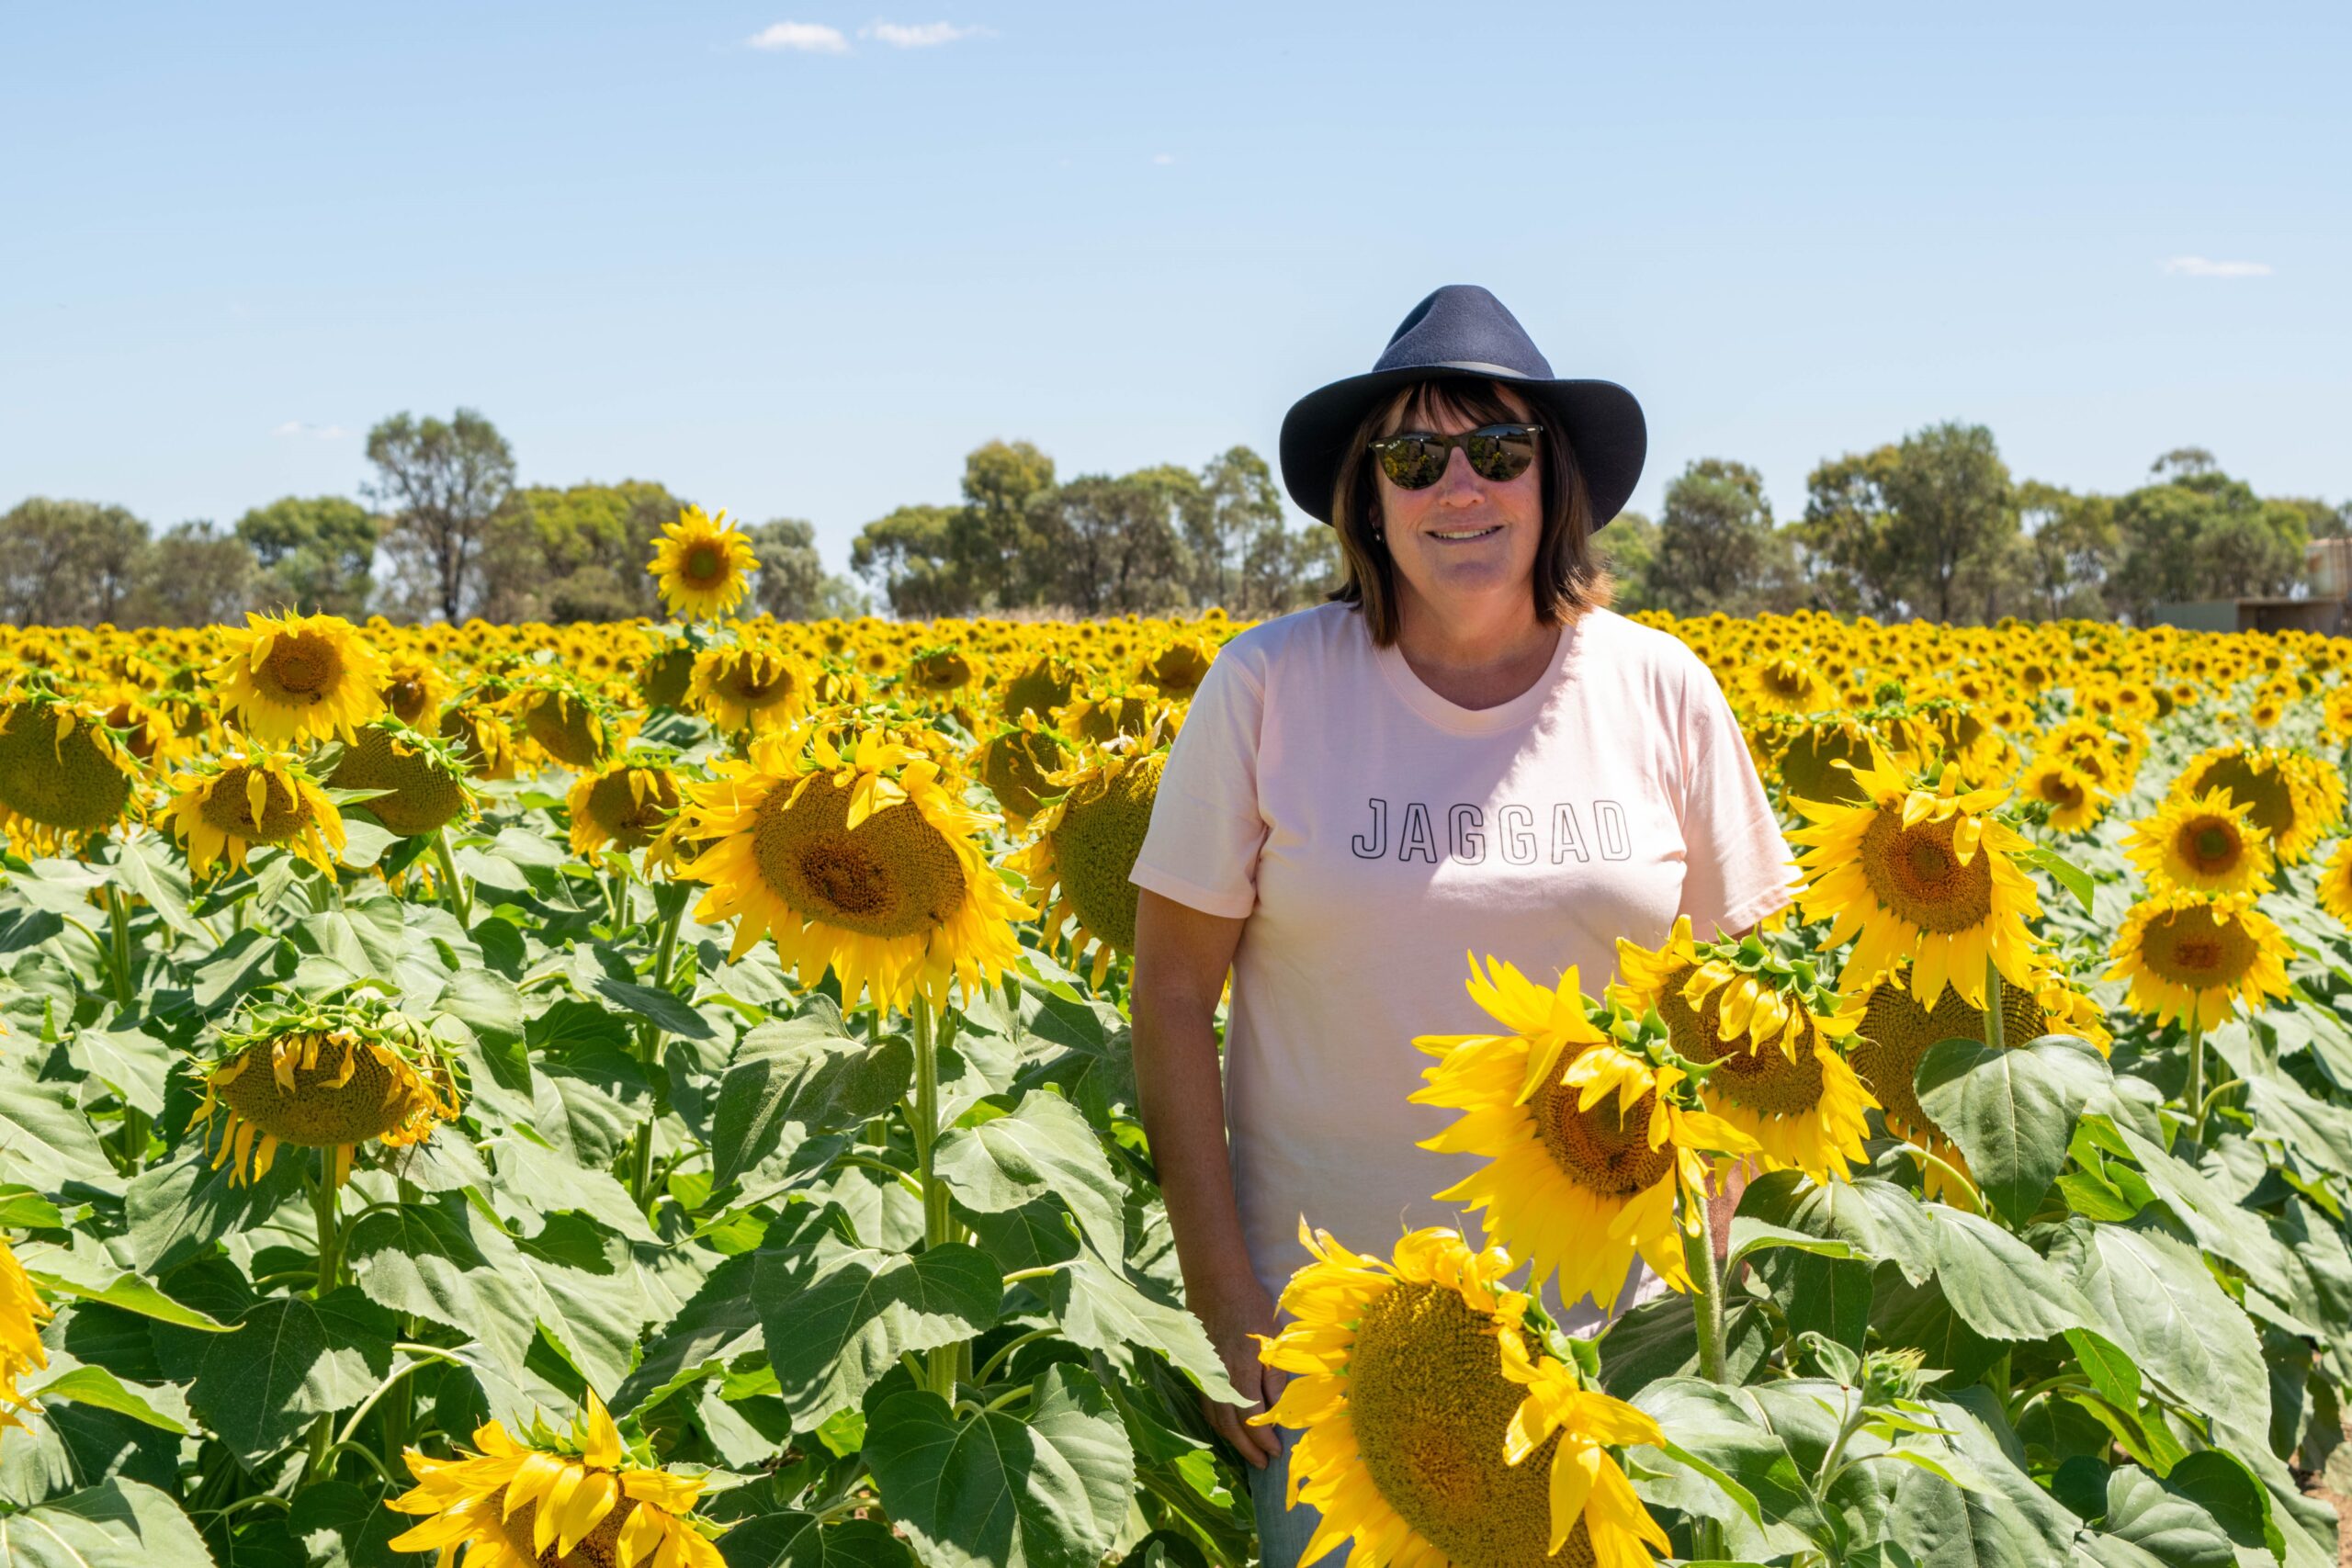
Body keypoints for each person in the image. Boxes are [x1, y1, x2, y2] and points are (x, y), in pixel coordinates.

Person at [1126, 285, 1796, 1568]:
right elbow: (1168, 998)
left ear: (1554, 483)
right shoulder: (1269, 686)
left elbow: (1747, 1006)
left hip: (1621, 1346)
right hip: (1343, 1345)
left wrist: (1718, 1254)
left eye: (1497, 450)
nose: (1459, 488)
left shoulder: (1659, 688)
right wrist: (1219, 1300)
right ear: (1367, 499)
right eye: (1414, 459)